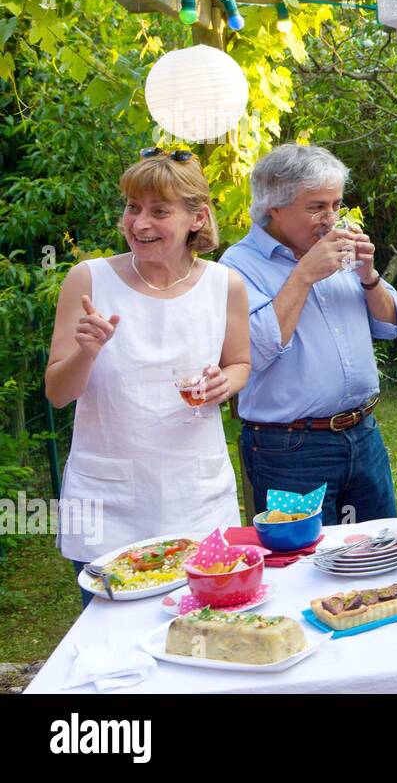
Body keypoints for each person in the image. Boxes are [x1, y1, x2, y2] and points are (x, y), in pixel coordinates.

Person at [46, 147, 250, 604]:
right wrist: (87, 352)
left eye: (159, 212)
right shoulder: (88, 280)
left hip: (195, 492)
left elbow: (240, 363)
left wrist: (226, 382)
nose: (139, 223)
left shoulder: (225, 285)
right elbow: (58, 393)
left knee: (204, 621)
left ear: (197, 218)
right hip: (110, 500)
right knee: (110, 639)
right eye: (132, 208)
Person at [221, 144, 397, 526]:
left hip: (363, 434)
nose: (330, 218)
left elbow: (390, 326)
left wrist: (369, 276)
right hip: (290, 447)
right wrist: (304, 274)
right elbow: (254, 351)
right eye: (316, 207)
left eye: (336, 204)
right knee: (303, 566)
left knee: (379, 553)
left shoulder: (336, 250)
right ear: (274, 207)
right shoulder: (237, 266)